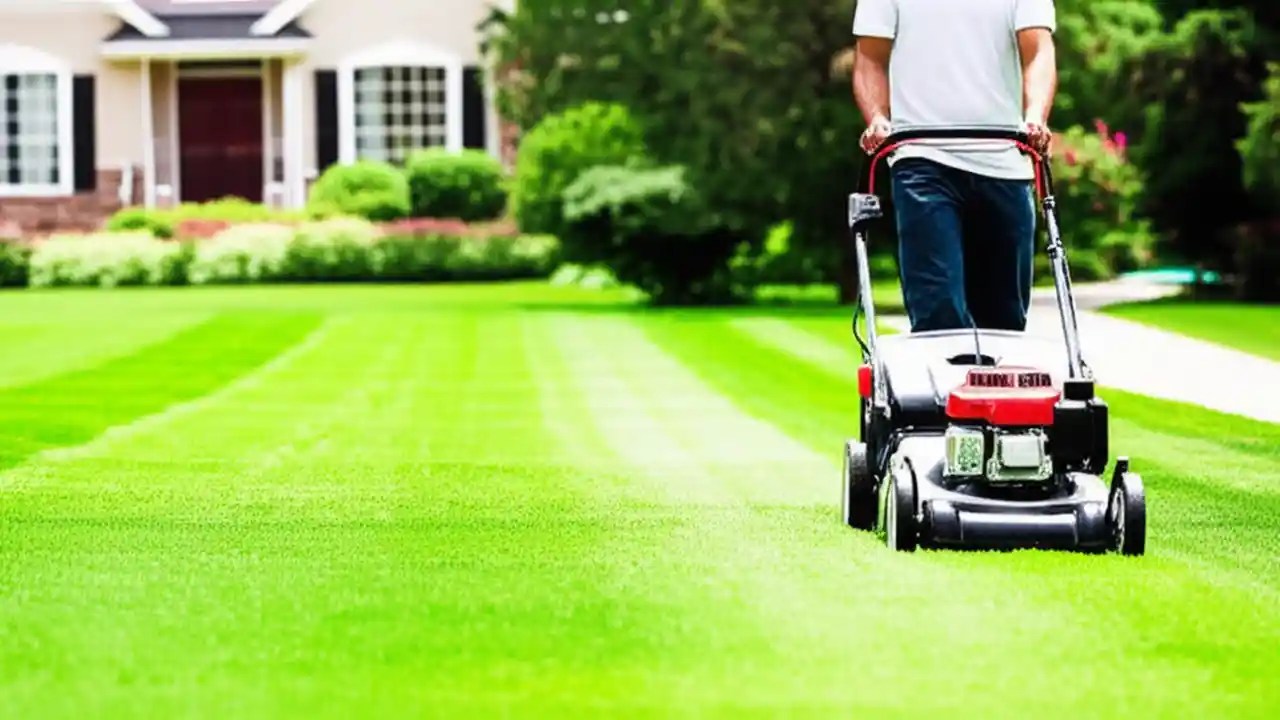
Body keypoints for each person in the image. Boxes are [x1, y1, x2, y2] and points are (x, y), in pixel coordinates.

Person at [851, 0, 1058, 333]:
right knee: (938, 312)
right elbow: (870, 59)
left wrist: (1035, 115)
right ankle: (942, 364)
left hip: (1004, 161)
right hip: (921, 160)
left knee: (1004, 319)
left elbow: (1038, 52)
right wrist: (877, 117)